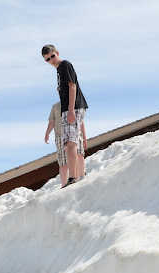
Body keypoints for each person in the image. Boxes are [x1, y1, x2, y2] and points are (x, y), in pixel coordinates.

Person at [42, 44, 88, 187]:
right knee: (68, 143)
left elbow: (72, 86)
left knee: (71, 143)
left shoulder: (65, 65)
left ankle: (73, 177)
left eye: (52, 56)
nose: (51, 60)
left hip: (72, 108)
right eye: (47, 59)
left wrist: (70, 109)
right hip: (66, 110)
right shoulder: (58, 71)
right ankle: (72, 177)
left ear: (57, 53)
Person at [45, 101, 87, 187]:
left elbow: (81, 121)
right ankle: (64, 185)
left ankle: (82, 177)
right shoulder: (55, 106)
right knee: (63, 163)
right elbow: (52, 121)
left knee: (79, 155)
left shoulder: (75, 103)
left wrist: (85, 138)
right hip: (60, 136)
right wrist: (47, 133)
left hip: (75, 133)